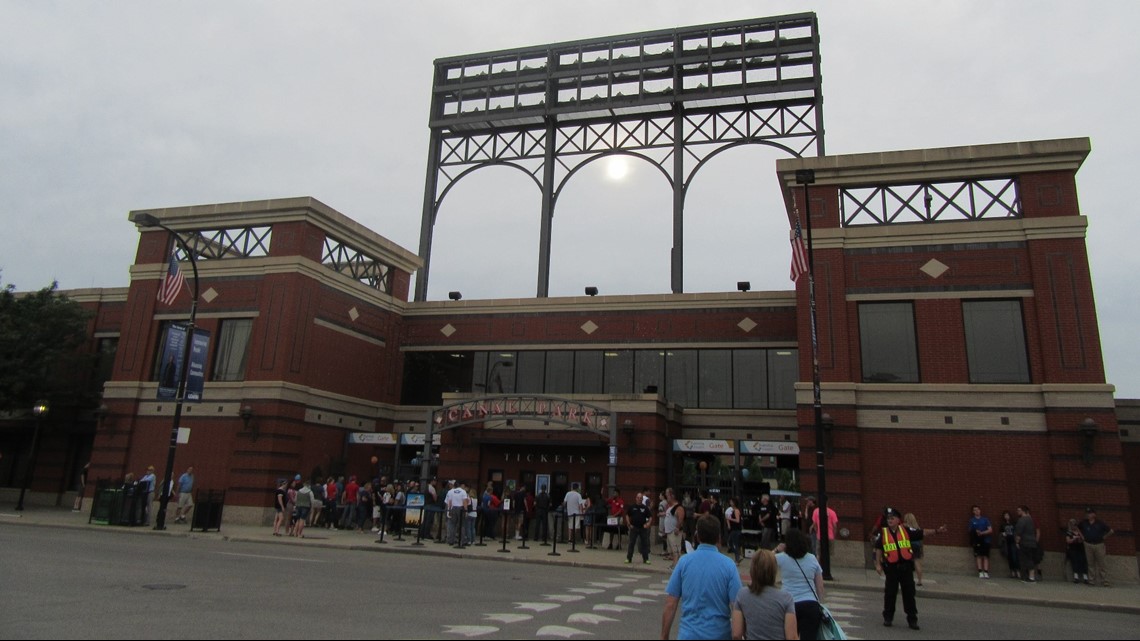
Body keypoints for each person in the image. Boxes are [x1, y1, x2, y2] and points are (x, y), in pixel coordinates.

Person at [661, 514, 742, 640]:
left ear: (697, 536)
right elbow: (736, 606)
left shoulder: (684, 563)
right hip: (720, 635)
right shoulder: (729, 566)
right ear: (719, 537)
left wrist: (664, 636)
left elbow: (671, 604)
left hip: (689, 635)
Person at [873, 506, 925, 630]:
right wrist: (878, 564)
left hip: (906, 568)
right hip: (891, 568)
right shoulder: (884, 533)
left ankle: (912, 619)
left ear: (898, 520)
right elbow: (878, 549)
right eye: (888, 518)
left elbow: (921, 532)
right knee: (890, 593)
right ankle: (888, 617)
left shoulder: (905, 531)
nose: (890, 520)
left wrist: (937, 531)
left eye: (892, 518)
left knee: (909, 594)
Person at [732, 549, 798, 641]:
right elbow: (792, 637)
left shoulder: (742, 595)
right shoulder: (786, 598)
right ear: (773, 571)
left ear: (752, 570)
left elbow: (736, 634)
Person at [775, 528, 823, 640]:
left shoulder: (782, 558)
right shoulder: (812, 558)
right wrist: (819, 603)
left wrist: (777, 549)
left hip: (789, 604)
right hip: (811, 604)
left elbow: (761, 560)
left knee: (789, 636)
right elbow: (820, 586)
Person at [903, 512, 947, 586]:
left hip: (907, 546)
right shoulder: (917, 527)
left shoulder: (904, 528)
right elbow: (922, 537)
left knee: (905, 563)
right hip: (917, 546)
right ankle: (919, 580)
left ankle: (905, 579)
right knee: (917, 562)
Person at [1078, 507, 1114, 586]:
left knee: (1102, 563)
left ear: (1094, 514)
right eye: (1087, 513)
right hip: (1088, 544)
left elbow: (1111, 531)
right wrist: (1082, 536)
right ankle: (1091, 580)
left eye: (1090, 513)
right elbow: (1077, 528)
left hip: (1099, 544)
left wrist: (1104, 537)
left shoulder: (1100, 523)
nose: (1088, 515)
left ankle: (1105, 581)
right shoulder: (1084, 523)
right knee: (1090, 563)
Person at [625, 490, 653, 564]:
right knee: (631, 543)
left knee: (644, 543)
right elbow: (627, 515)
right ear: (636, 498)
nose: (639, 499)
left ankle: (646, 559)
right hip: (634, 527)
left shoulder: (645, 508)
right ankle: (629, 558)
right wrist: (628, 523)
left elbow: (650, 517)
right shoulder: (632, 507)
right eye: (638, 497)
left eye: (641, 498)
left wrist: (648, 524)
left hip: (642, 528)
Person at [1013, 504, 1040, 582]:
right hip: (1032, 542)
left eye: (1019, 510)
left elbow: (1019, 532)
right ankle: (1031, 577)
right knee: (1030, 559)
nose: (1017, 512)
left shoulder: (1022, 520)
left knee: (1024, 559)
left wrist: (1017, 542)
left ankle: (1026, 577)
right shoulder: (1031, 520)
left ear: (1023, 511)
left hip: (1024, 542)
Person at [968, 505, 993, 579]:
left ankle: (986, 572)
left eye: (978, 509)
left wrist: (982, 533)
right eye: (975, 510)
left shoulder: (985, 519)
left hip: (986, 540)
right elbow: (970, 531)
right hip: (977, 540)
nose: (977, 511)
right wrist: (976, 532)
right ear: (973, 512)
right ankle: (980, 572)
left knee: (985, 556)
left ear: (980, 510)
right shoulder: (972, 520)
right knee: (978, 556)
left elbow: (990, 530)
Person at [662, 487, 686, 569]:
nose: (666, 497)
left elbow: (681, 518)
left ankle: (676, 565)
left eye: (667, 495)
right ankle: (674, 563)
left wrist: (677, 528)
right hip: (669, 532)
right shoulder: (670, 507)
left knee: (675, 549)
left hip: (674, 532)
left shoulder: (678, 507)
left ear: (672, 496)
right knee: (672, 550)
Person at [1064, 518, 1090, 584]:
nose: (1073, 526)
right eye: (1072, 524)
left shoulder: (1079, 531)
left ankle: (1085, 578)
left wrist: (1079, 533)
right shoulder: (1069, 532)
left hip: (1080, 548)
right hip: (1073, 549)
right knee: (1075, 562)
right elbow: (1068, 541)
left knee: (1083, 562)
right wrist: (1073, 539)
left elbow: (1083, 538)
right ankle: (1076, 577)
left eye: (1074, 524)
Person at [444, 480, 467, 546]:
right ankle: (462, 541)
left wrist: (449, 510)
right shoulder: (463, 491)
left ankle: (451, 540)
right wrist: (466, 510)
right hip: (460, 508)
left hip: (453, 508)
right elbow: (464, 501)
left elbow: (449, 502)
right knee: (462, 525)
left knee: (452, 525)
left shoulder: (450, 491)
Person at [999, 510, 1019, 578]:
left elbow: (1017, 531)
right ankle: (1012, 572)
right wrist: (1002, 534)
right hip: (1007, 542)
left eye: (1007, 515)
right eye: (1005, 515)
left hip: (1013, 541)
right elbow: (1001, 533)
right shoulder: (1003, 524)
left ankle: (1018, 571)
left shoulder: (1013, 523)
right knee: (1010, 557)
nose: (1006, 516)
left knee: (1015, 556)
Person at [724, 497, 743, 564]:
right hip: (733, 529)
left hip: (736, 529)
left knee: (734, 543)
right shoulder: (732, 510)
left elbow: (737, 520)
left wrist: (730, 518)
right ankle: (738, 556)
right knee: (732, 542)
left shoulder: (736, 511)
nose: (730, 503)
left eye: (731, 502)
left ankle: (738, 557)